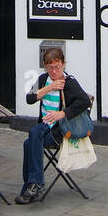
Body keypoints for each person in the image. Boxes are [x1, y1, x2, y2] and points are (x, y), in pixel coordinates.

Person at [17, 47, 92, 205]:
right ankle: (31, 186)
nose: (54, 71)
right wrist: (50, 87)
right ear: (45, 66)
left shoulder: (69, 82)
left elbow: (84, 101)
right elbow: (30, 98)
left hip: (59, 130)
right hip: (44, 127)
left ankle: (35, 184)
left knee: (33, 133)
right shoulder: (44, 79)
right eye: (50, 67)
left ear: (63, 64)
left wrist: (62, 114)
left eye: (57, 67)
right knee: (28, 142)